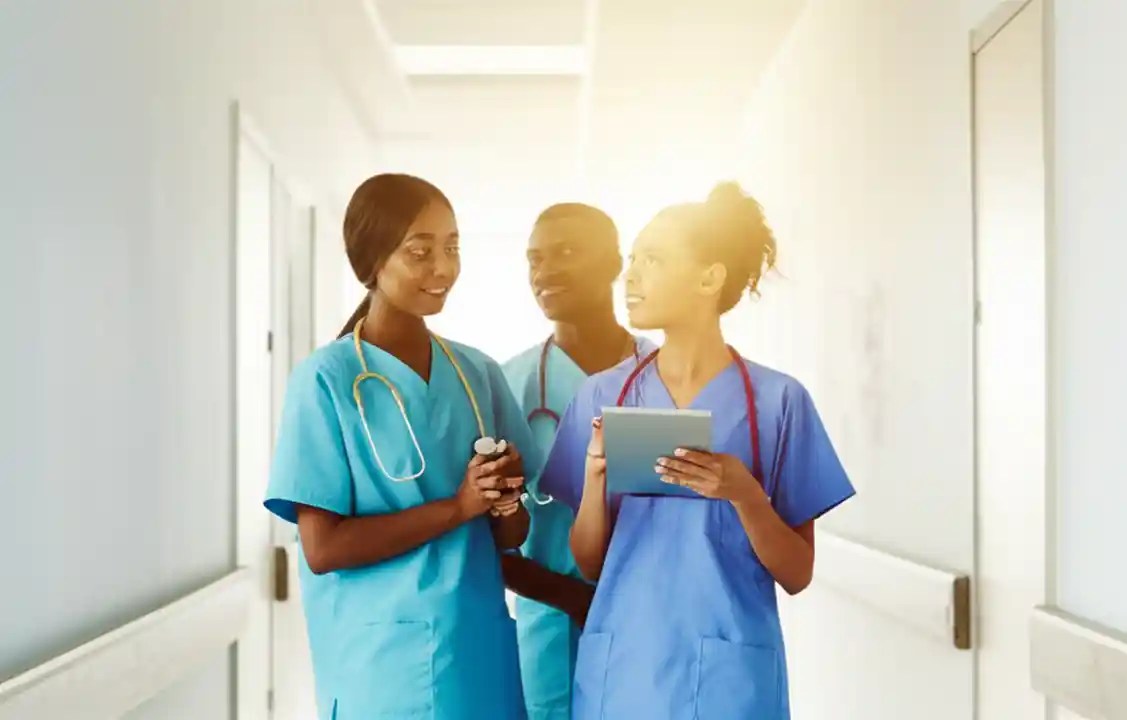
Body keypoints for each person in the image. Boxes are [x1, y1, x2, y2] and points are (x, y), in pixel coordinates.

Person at [539, 182, 856, 719]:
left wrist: (744, 495)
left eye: (653, 259)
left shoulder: (778, 403)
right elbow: (590, 563)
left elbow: (798, 573)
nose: (631, 276)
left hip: (730, 682)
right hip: (625, 673)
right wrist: (594, 478)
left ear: (709, 278)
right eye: (632, 260)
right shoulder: (603, 395)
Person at [264, 173, 531, 719]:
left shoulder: (477, 373)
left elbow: (511, 534)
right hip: (383, 670)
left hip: (478, 653)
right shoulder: (327, 380)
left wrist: (502, 501)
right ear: (372, 262)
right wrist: (458, 506)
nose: (443, 268)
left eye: (452, 247)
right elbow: (323, 549)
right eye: (420, 251)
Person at [500, 203, 656, 720]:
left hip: (654, 617)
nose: (545, 272)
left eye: (566, 252)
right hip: (550, 628)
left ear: (616, 263)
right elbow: (483, 535)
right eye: (534, 259)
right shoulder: (508, 385)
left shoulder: (669, 377)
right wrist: (573, 597)